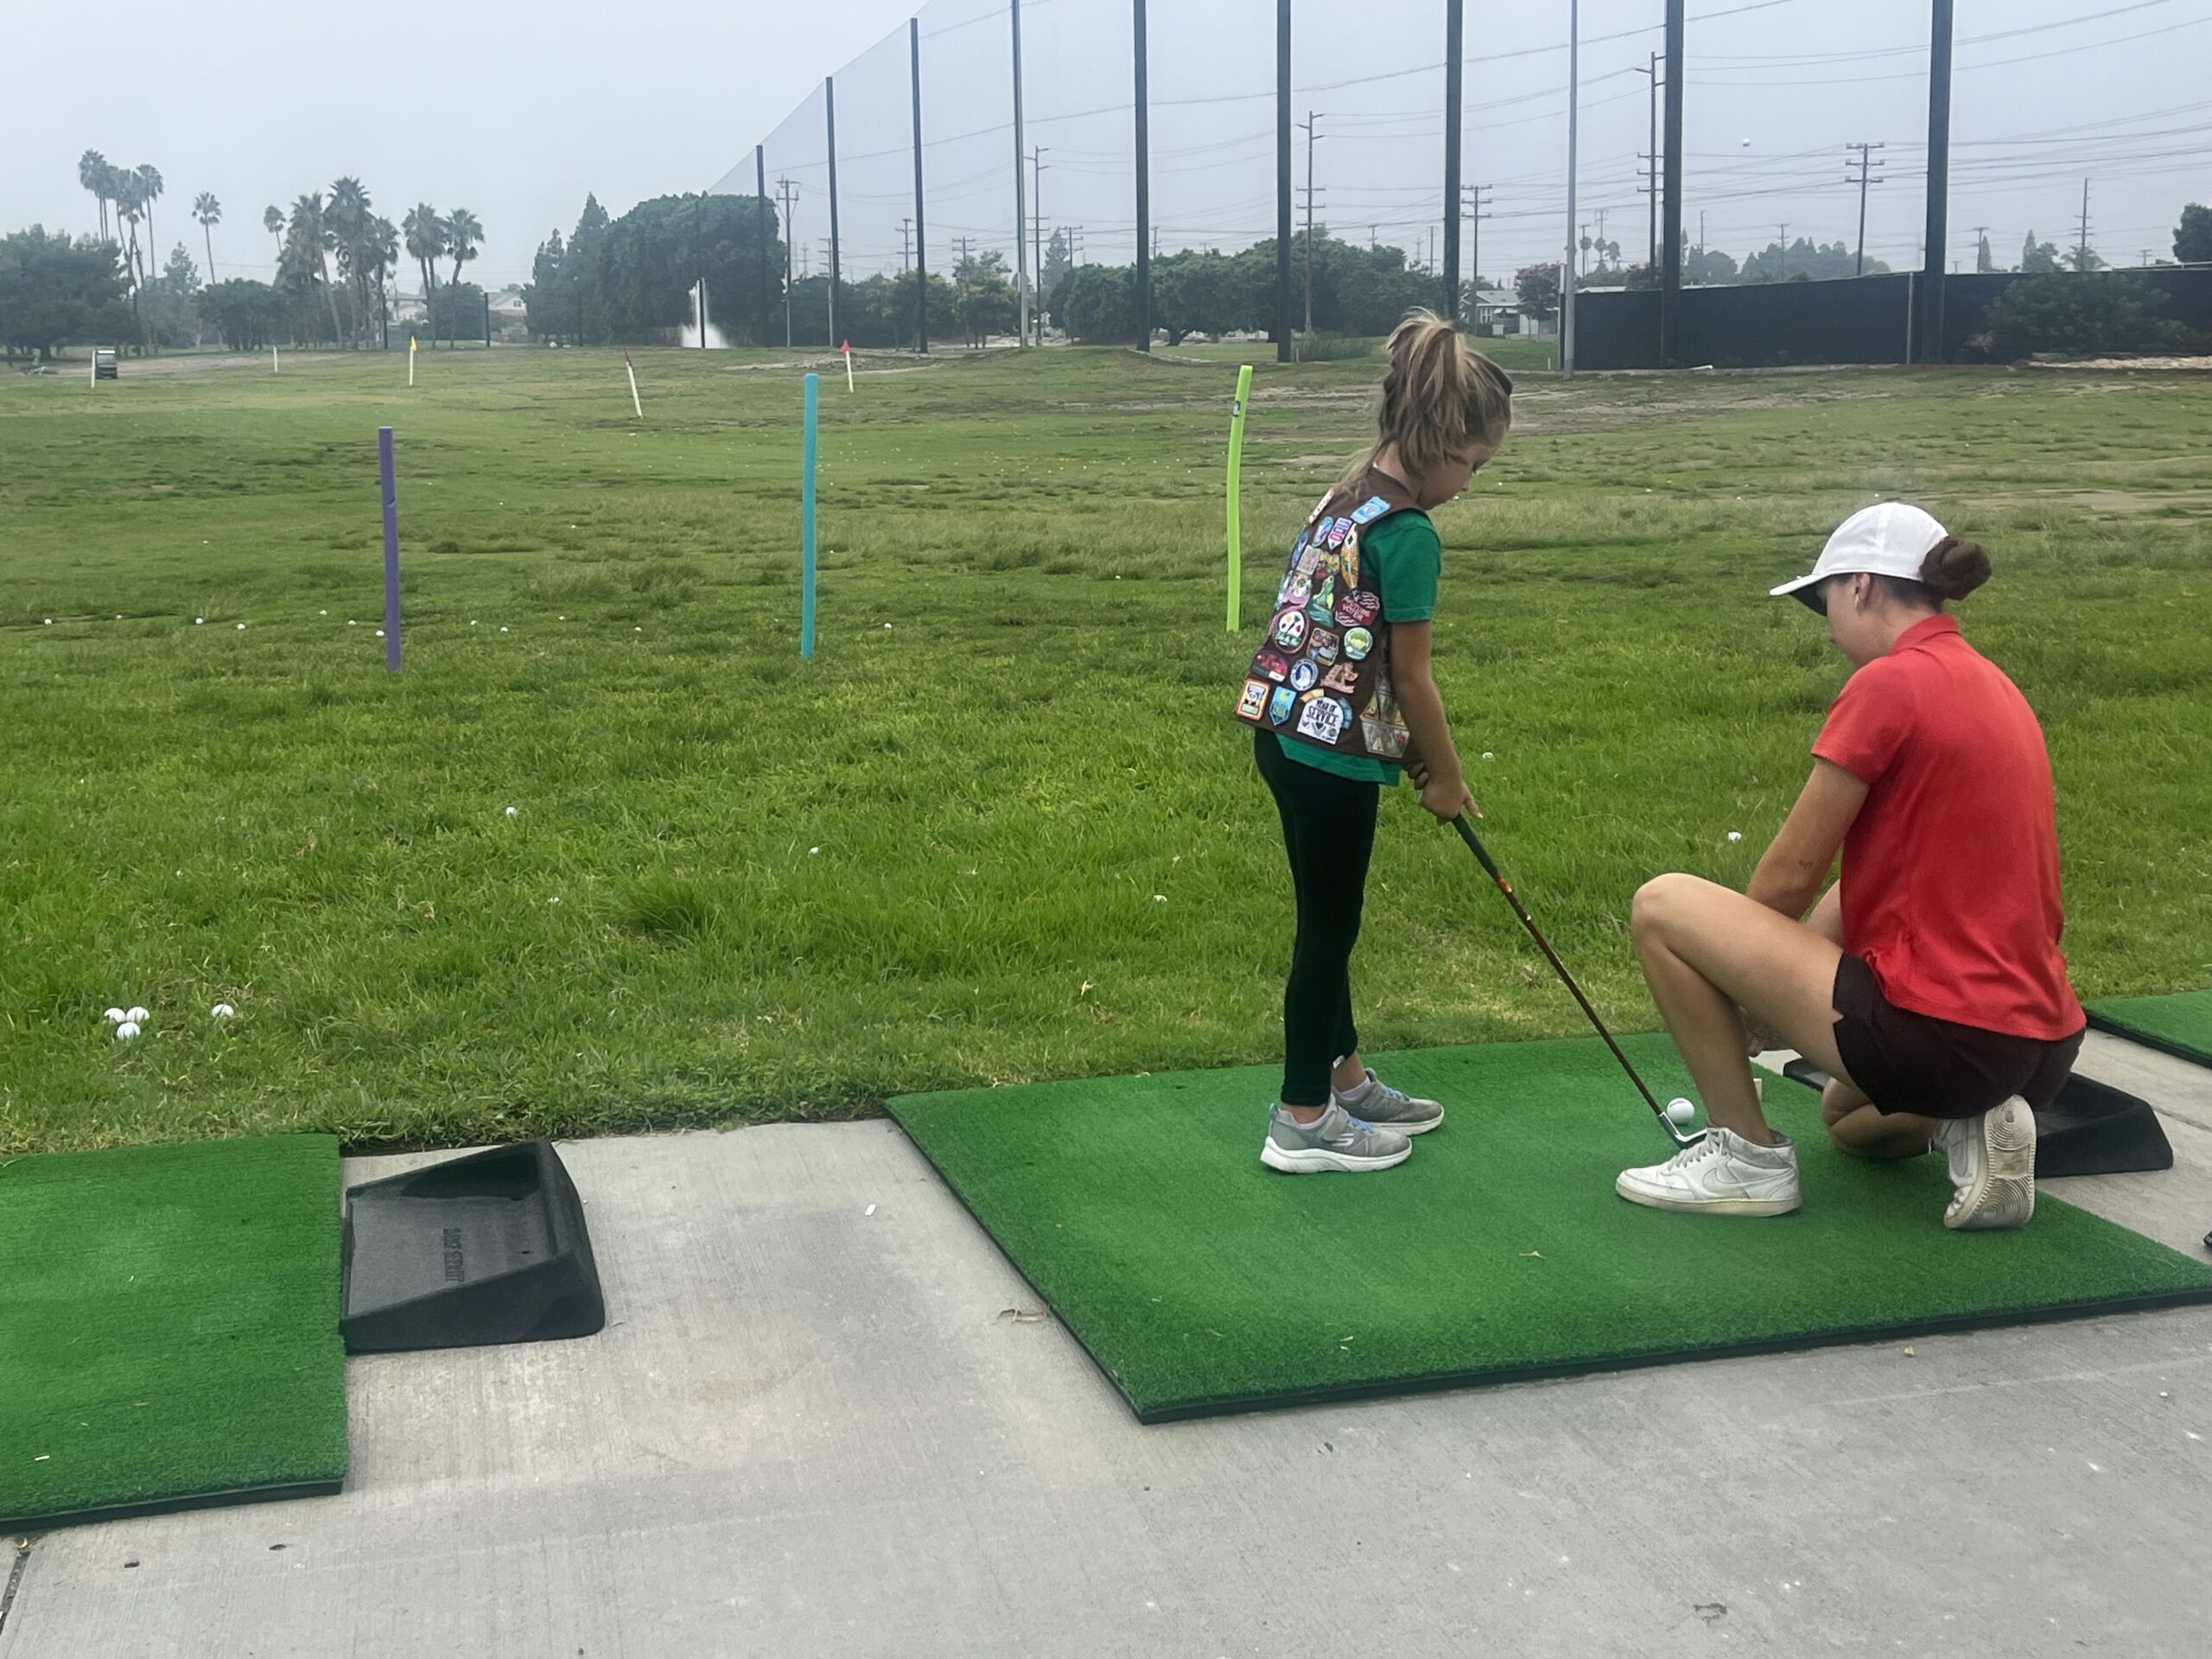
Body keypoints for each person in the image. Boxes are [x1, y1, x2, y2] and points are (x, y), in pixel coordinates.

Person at [1615, 502, 2086, 1227]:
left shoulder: (1889, 683)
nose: (1826, 622)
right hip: (2041, 1044)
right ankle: (1974, 1120)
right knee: (1847, 1120)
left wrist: (1743, 994)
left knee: (1664, 905)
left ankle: (1746, 1159)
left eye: (1823, 597)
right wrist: (1783, 980)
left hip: (1940, 1037)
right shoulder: (1992, 684)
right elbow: (1858, 879)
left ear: (1861, 585)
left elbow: (1785, 879)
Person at [1230, 313, 1515, 1173]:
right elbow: (1414, 675)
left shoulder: (1351, 490)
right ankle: (1303, 1117)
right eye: (1470, 463)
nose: (1468, 482)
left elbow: (1367, 654)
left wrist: (1412, 753)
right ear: (1435, 441)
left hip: (1282, 730)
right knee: (1328, 930)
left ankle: (1345, 1078)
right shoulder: (1410, 533)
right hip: (1331, 755)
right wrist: (1446, 777)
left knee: (1327, 921)